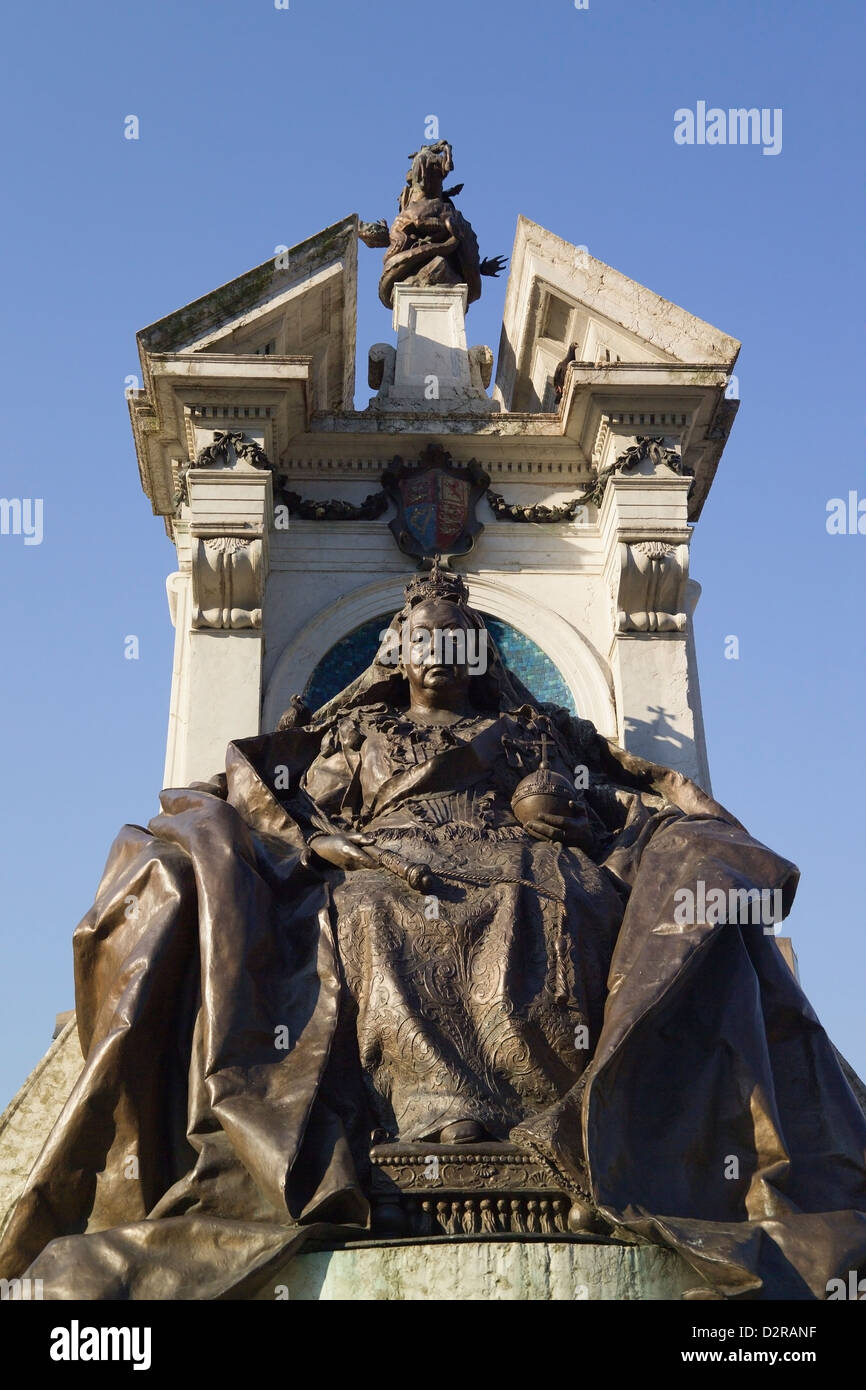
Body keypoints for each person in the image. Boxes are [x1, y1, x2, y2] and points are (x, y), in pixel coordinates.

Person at [1, 565, 864, 1300]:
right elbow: (294, 812)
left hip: (524, 859)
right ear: (400, 651)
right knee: (371, 915)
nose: (443, 656)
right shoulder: (358, 733)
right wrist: (326, 844)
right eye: (428, 639)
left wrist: (571, 809)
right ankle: (437, 1112)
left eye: (460, 641)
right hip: (385, 863)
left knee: (546, 898)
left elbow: (631, 804)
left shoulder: (530, 733)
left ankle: (555, 1132)